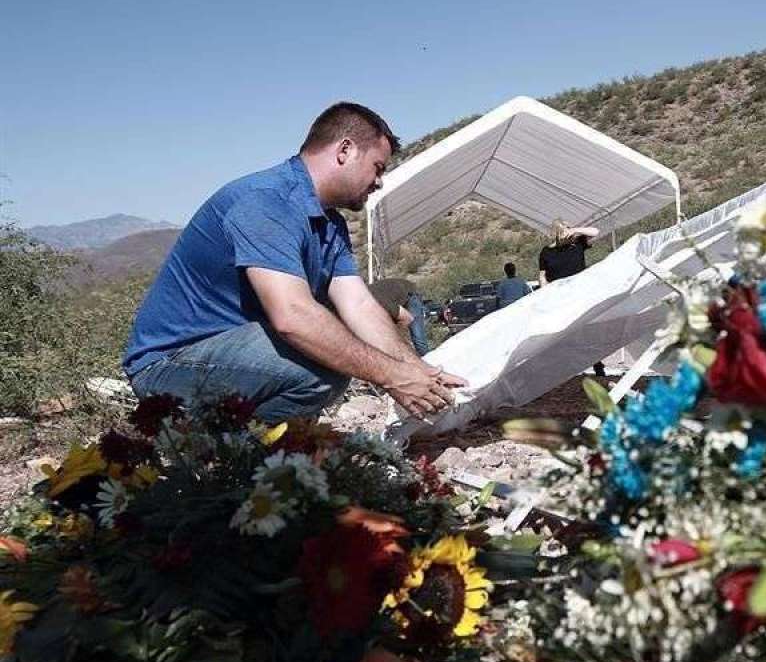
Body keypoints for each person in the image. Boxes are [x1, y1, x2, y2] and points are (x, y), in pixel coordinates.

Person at [122, 102, 465, 423]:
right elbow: (293, 317)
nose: (379, 181)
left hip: (232, 356)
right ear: (345, 151)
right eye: (377, 167)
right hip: (169, 365)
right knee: (322, 366)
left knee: (331, 346)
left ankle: (261, 453)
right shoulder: (266, 203)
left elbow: (359, 305)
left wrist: (418, 372)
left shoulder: (330, 224)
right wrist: (392, 376)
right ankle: (231, 458)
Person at [537, 220, 607, 378]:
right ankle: (561, 368)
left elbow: (595, 231)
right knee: (563, 333)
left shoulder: (577, 243)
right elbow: (542, 275)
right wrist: (544, 294)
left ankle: (598, 364)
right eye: (563, 231)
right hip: (559, 299)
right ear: (556, 233)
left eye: (568, 230)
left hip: (580, 295)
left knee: (587, 330)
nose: (567, 234)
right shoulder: (546, 252)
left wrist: (575, 230)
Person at [368, 277, 432, 356]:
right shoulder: (363, 305)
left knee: (418, 339)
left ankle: (428, 361)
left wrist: (396, 336)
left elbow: (408, 318)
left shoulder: (380, 302)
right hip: (392, 297)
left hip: (409, 295)